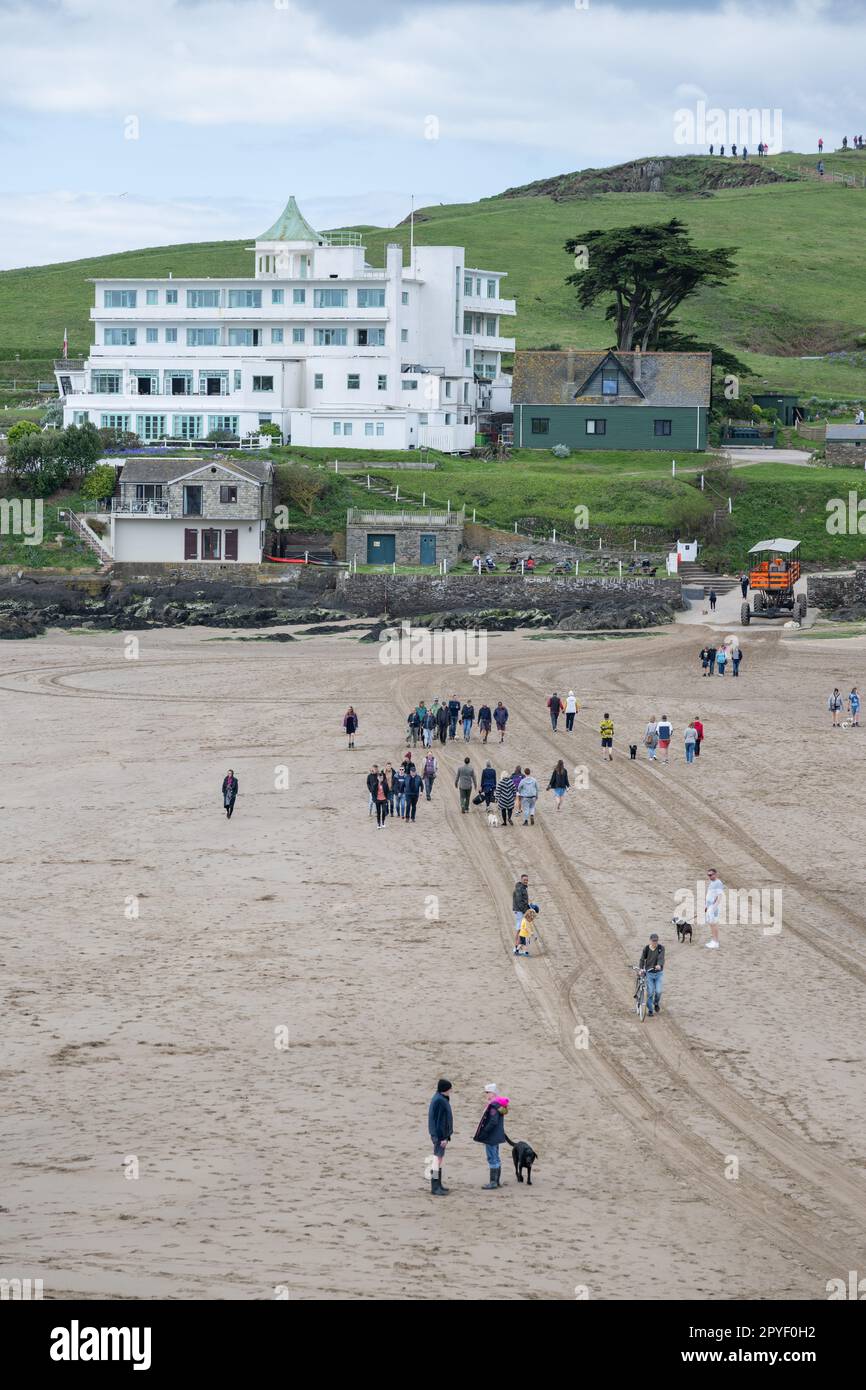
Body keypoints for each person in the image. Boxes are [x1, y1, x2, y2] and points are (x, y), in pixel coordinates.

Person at [474, 1095, 510, 1189]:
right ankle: (496, 1181)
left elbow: (493, 1121)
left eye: (488, 1092)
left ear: (493, 1094)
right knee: (496, 1158)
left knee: (492, 1158)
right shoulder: (500, 1107)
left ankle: (493, 1182)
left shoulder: (494, 1107)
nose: (486, 1094)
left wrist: (485, 1132)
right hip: (497, 1136)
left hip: (491, 1137)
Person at [428, 1078, 453, 1196]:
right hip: (439, 1135)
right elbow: (438, 1121)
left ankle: (438, 1185)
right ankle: (435, 1187)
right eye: (449, 1088)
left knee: (438, 1159)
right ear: (445, 1089)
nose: (451, 1090)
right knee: (437, 1160)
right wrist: (443, 1137)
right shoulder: (439, 1100)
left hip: (440, 1134)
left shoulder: (440, 1098)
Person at [639, 933, 665, 1016]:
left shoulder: (661, 948)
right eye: (653, 941)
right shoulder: (646, 948)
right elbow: (642, 959)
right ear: (650, 940)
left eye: (656, 941)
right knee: (650, 992)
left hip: (658, 973)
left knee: (658, 991)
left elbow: (661, 958)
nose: (655, 943)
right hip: (649, 973)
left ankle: (656, 1003)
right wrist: (641, 969)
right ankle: (650, 1010)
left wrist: (659, 965)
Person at [705, 868, 724, 948]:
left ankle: (715, 942)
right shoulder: (712, 882)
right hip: (710, 906)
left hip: (713, 907)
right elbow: (711, 895)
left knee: (713, 924)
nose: (709, 876)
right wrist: (706, 906)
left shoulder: (718, 883)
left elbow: (719, 896)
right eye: (708, 875)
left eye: (711, 875)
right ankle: (713, 940)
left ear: (715, 874)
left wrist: (714, 907)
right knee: (711, 923)